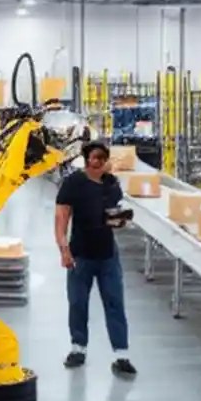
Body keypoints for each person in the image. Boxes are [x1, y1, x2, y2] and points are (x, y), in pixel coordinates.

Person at [54, 141, 136, 378]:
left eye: (103, 158)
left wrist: (121, 219)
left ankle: (121, 354)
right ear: (86, 159)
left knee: (114, 302)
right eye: (94, 157)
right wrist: (64, 249)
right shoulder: (73, 184)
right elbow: (61, 218)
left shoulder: (111, 184)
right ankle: (78, 348)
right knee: (78, 302)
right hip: (81, 254)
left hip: (107, 254)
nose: (99, 162)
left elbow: (114, 213)